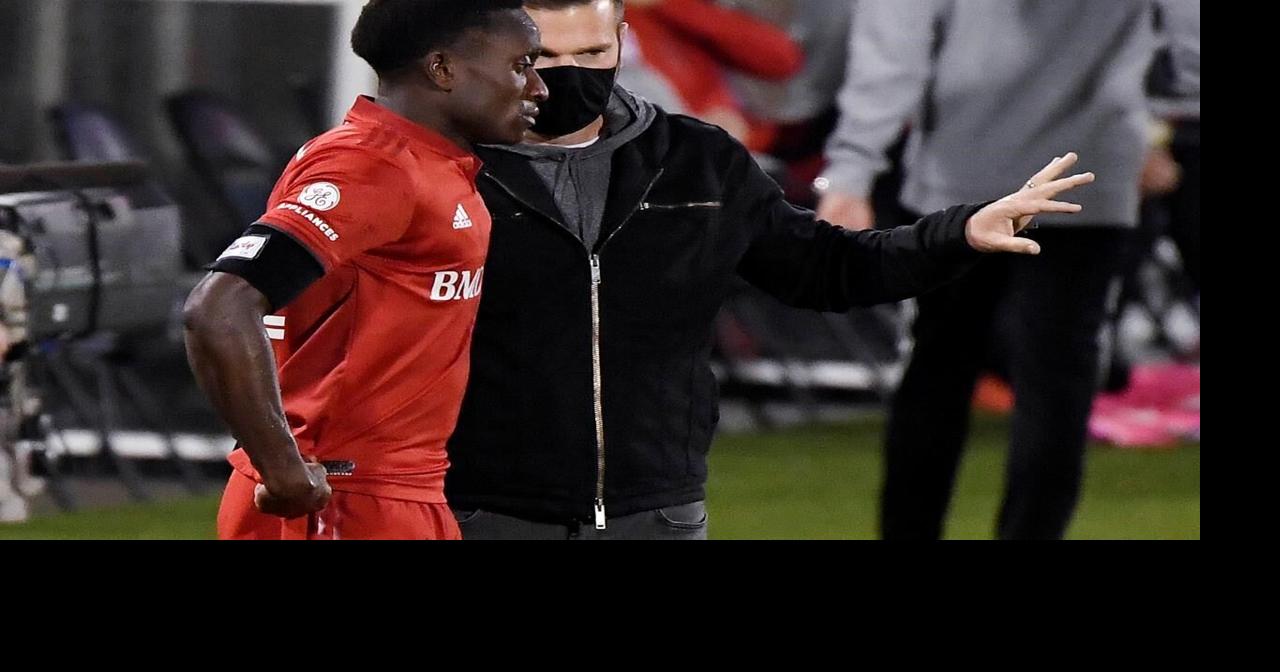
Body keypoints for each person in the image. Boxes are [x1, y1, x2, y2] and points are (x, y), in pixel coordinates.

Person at [444, 0, 1093, 540]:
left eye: (589, 54)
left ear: (621, 40)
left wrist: (961, 232)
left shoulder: (696, 161)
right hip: (484, 510)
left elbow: (828, 267)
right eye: (546, 58)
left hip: (659, 512)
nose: (570, 75)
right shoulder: (437, 169)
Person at [182, 0, 548, 540]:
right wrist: (283, 467)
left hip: (392, 490)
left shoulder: (427, 163)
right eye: (521, 64)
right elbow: (218, 308)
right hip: (342, 498)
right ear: (442, 68)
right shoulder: (373, 166)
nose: (538, 87)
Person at [815, 0, 1161, 540]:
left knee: (937, 370)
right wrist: (1157, 124)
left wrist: (852, 170)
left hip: (961, 181)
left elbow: (893, 50)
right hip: (1089, 176)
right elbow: (1189, 43)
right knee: (1057, 382)